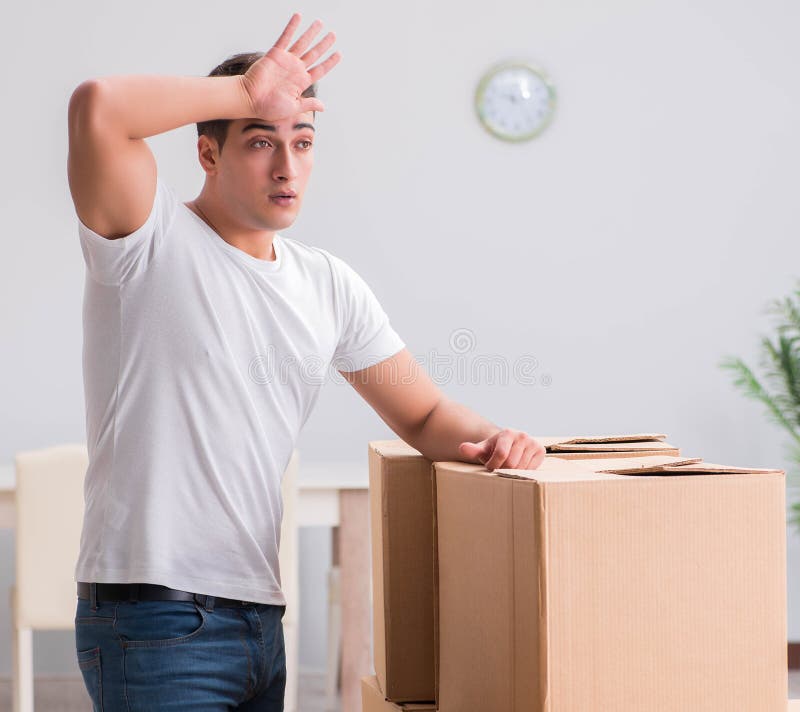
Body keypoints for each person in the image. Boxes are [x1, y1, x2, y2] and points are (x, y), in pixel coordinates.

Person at [67, 12, 545, 711]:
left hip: (260, 617)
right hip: (154, 615)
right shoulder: (148, 241)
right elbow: (97, 107)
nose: (287, 166)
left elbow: (426, 413)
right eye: (261, 142)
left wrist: (496, 438)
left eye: (303, 141)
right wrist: (243, 92)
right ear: (207, 153)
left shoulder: (327, 283)